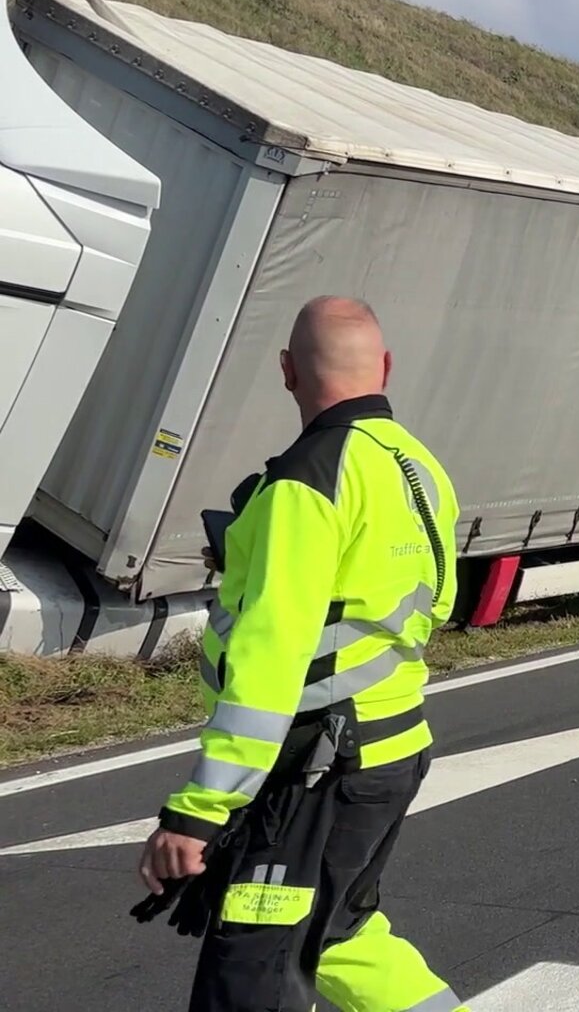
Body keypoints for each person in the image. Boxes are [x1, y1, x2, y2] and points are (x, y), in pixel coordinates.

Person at [137, 296, 469, 1012]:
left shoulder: (307, 478)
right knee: (341, 935)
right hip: (391, 746)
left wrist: (200, 810)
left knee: (252, 972)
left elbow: (273, 655)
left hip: (319, 763)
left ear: (287, 370)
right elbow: (425, 602)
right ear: (385, 367)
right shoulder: (418, 466)